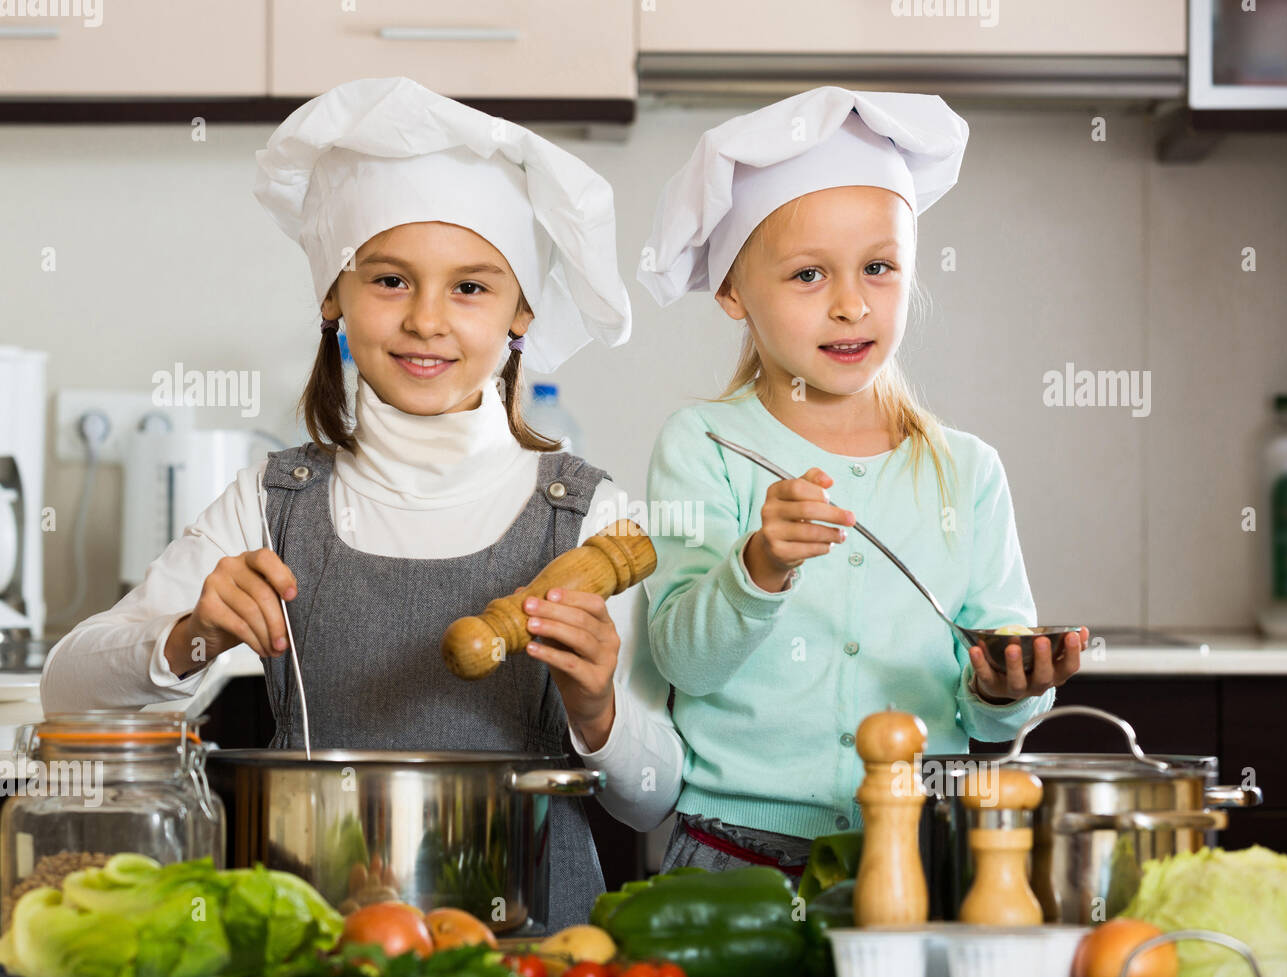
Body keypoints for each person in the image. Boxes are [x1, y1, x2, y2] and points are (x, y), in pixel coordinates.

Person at [40, 76, 684, 930]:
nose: (426, 319)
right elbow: (66, 692)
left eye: (470, 287)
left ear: (520, 312)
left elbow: (655, 802)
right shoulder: (269, 504)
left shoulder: (592, 517)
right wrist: (191, 635)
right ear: (333, 297)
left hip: (536, 953)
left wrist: (599, 709)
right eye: (389, 279)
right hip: (317, 942)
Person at [637, 87, 1088, 877]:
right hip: (733, 858)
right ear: (734, 293)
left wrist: (1011, 684)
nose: (851, 305)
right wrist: (757, 570)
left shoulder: (966, 471)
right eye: (809, 275)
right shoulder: (705, 444)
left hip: (916, 852)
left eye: (879, 268)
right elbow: (683, 663)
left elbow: (990, 714)